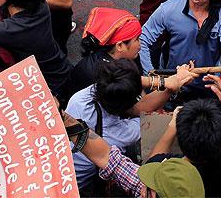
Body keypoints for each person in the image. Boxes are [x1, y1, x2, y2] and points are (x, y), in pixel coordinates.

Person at [65, 59, 195, 194]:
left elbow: (119, 79)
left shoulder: (81, 98)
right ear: (129, 104)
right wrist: (171, 88)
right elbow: (144, 109)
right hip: (77, 185)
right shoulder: (120, 134)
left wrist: (168, 81)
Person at [65, 7, 142, 98]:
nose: (140, 43)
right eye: (137, 39)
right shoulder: (99, 76)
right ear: (120, 46)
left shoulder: (132, 56)